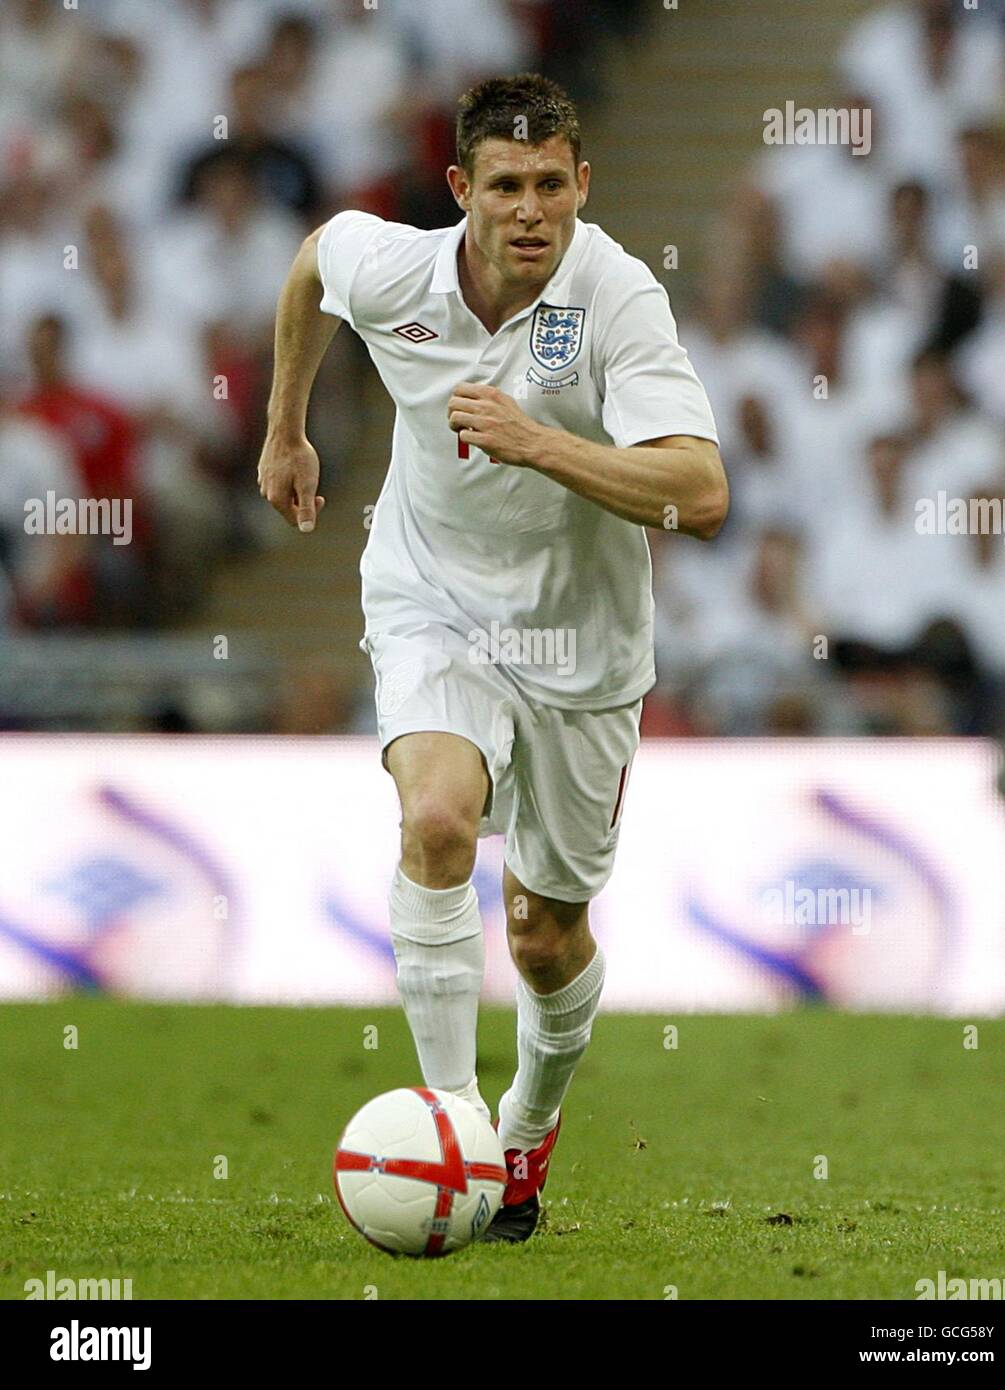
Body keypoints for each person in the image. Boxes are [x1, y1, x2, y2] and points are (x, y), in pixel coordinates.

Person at [257, 73, 728, 1242]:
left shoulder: (617, 296)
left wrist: (541, 444)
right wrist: (284, 425)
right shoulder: (399, 271)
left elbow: (702, 491)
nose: (531, 211)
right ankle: (456, 1122)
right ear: (462, 187)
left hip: (582, 641)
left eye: (552, 186)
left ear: (583, 185)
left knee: (545, 930)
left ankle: (525, 1126)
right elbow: (317, 257)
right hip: (433, 601)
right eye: (507, 185)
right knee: (436, 824)